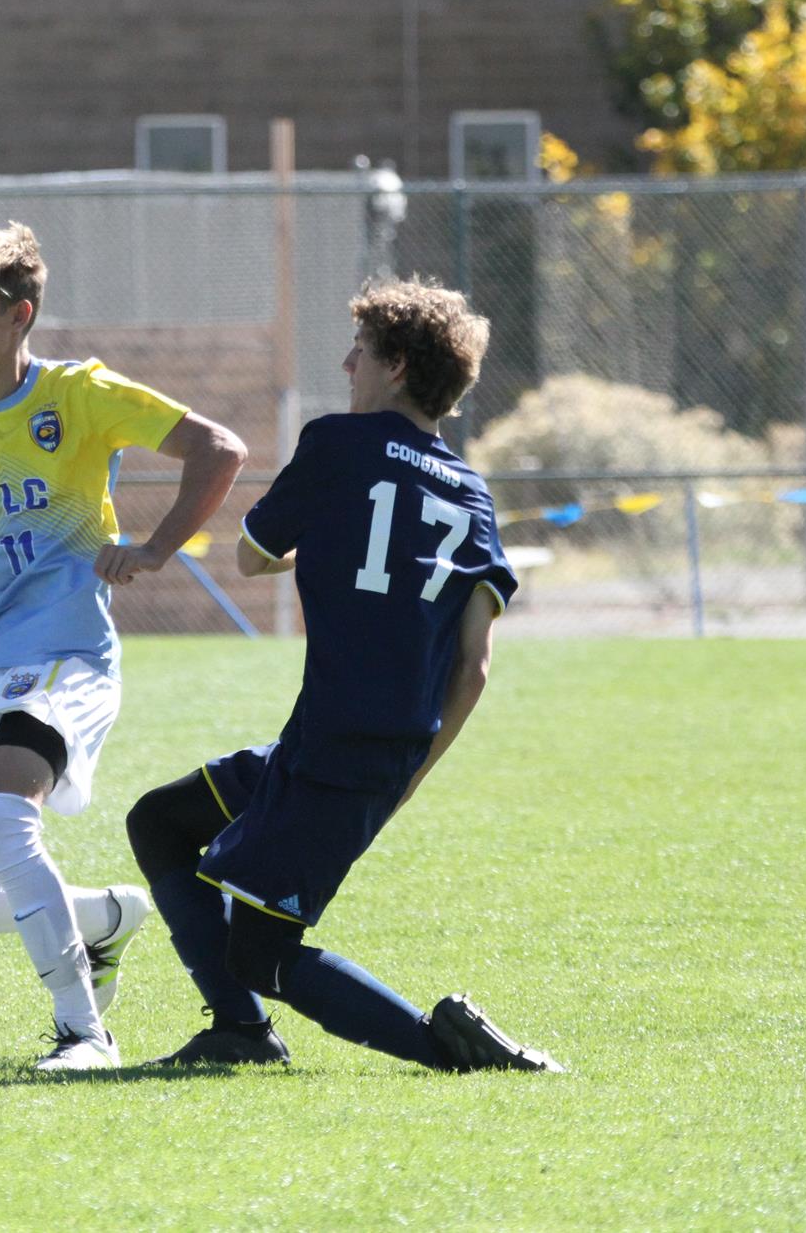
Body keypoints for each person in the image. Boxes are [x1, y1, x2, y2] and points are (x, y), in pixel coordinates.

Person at [124, 277, 562, 1073]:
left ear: (395, 365)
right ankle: (238, 1032)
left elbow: (252, 555)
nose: (346, 360)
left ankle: (455, 1051)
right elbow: (475, 665)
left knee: (263, 952)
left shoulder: (334, 445)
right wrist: (416, 774)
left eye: (360, 349)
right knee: (161, 821)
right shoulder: (473, 494)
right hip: (358, 750)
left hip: (332, 753)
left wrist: (319, 540)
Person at [0, 222, 246, 1072]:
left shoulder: (76, 395)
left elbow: (218, 448)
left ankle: (86, 1033)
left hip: (69, 660)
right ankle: (104, 918)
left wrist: (155, 548)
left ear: (20, 313)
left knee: (4, 813)